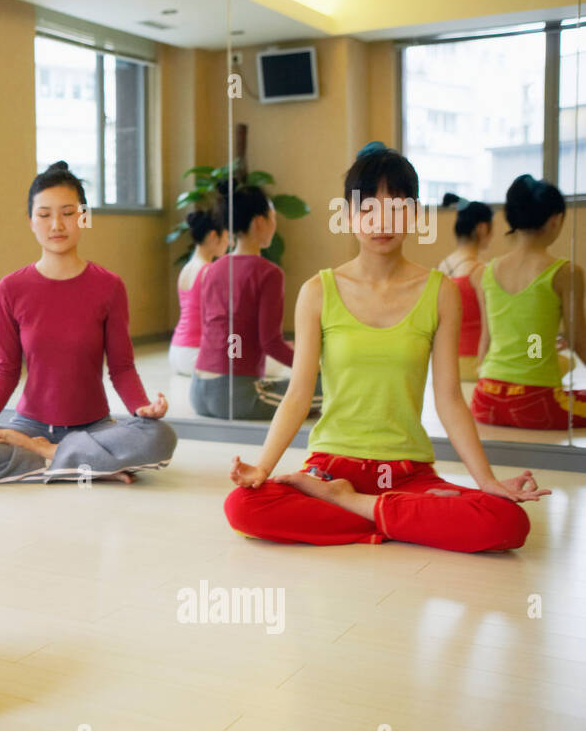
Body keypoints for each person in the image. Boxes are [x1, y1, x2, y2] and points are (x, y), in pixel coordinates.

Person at [224, 143, 545, 553]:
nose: (382, 222)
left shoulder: (441, 292)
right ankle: (403, 519)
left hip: (408, 474)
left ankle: (356, 506)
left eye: (396, 208)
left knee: (506, 523)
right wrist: (263, 467)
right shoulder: (317, 292)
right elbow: (299, 393)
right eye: (368, 209)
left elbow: (449, 399)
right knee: (244, 507)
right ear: (348, 216)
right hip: (329, 469)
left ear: (414, 214)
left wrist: (487, 483)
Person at [0, 160, 177, 485]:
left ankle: (50, 455)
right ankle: (88, 463)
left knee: (159, 437)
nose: (56, 225)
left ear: (83, 217)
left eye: (67, 213)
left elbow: (121, 367)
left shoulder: (110, 286)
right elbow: (6, 369)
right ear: (31, 221)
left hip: (94, 426)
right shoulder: (11, 288)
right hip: (29, 426)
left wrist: (141, 409)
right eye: (45, 214)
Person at [190, 180, 320, 420]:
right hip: (235, 396)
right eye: (273, 217)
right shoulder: (268, 273)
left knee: (291, 383)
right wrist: (312, 366)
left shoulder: (212, 269)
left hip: (198, 392)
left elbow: (215, 329)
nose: (274, 225)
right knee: (326, 387)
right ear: (260, 221)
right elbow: (270, 342)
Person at [470, 175, 586, 429]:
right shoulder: (567, 273)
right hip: (535, 402)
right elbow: (578, 341)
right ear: (556, 220)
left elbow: (486, 340)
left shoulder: (484, 273)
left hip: (484, 399)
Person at [438, 192, 494, 380]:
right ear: (483, 228)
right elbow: (490, 329)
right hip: (474, 364)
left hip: (447, 363)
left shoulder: (443, 266)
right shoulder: (480, 271)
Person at [169, 208, 228, 376]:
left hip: (176, 352)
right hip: (195, 356)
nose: (228, 243)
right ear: (212, 236)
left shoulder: (186, 269)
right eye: (225, 237)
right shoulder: (209, 270)